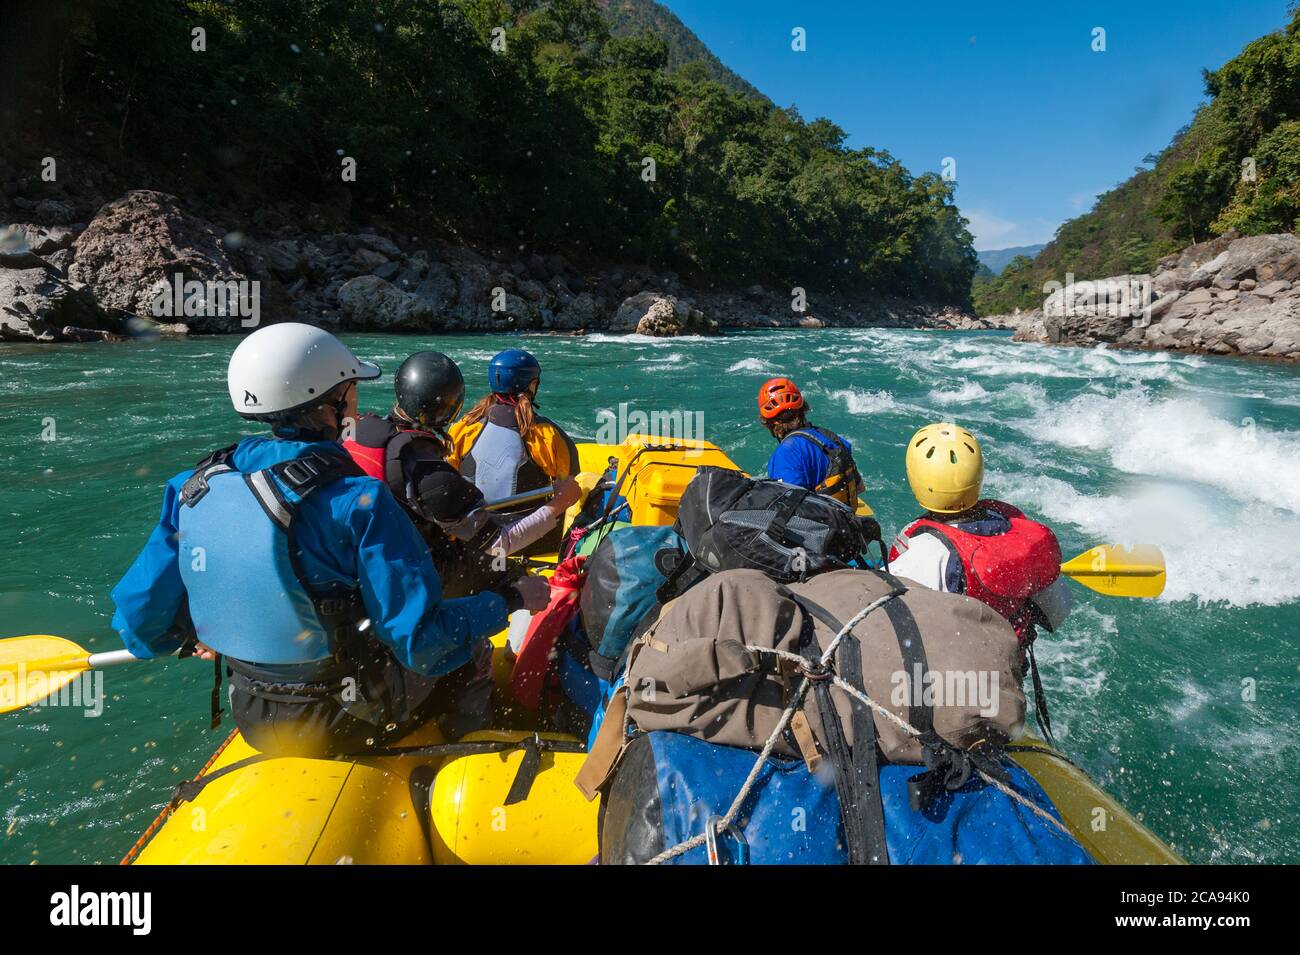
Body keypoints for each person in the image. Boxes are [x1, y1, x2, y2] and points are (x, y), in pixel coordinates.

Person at [109, 323, 550, 759]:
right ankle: (468, 752)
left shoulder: (191, 487)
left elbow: (142, 628)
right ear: (334, 402)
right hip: (347, 718)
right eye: (352, 390)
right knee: (470, 649)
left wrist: (202, 636)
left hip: (252, 714)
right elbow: (422, 641)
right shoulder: (359, 500)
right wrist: (509, 599)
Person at [341, 350, 579, 596]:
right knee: (512, 574)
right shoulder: (546, 435)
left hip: (371, 557)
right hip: (430, 565)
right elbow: (499, 543)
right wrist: (561, 502)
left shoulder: (365, 429)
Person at [887, 422, 1071, 740]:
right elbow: (1059, 611)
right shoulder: (1016, 534)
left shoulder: (923, 551)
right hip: (1010, 678)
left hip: (949, 692)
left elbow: (894, 634)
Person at [447, 348, 579, 553]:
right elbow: (568, 486)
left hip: (476, 535)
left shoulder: (463, 427)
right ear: (532, 385)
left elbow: (449, 474)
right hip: (531, 540)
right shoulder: (546, 434)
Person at [757, 377, 865, 508]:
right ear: (802, 409)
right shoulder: (831, 437)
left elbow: (786, 509)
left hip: (822, 526)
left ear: (771, 423)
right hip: (847, 518)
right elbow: (859, 487)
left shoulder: (786, 454)